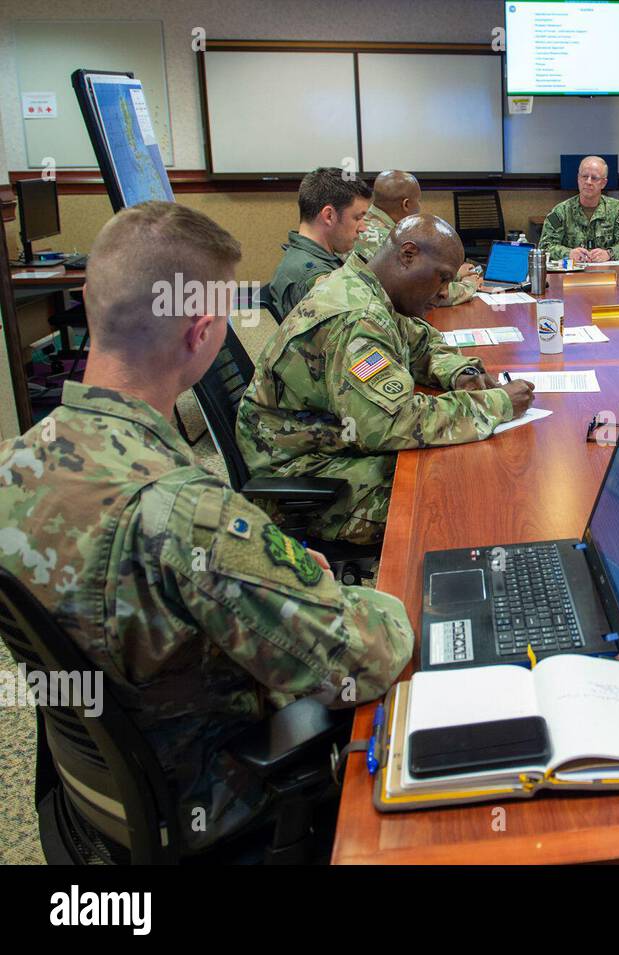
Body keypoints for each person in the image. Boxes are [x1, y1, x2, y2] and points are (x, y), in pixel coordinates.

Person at [0, 201, 414, 852]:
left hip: (96, 815)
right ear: (202, 333)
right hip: (222, 798)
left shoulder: (11, 466)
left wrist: (275, 578)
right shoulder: (192, 516)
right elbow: (369, 657)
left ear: (86, 298)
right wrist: (314, 583)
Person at [237, 214, 535, 547]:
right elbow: (392, 423)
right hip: (306, 476)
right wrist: (498, 402)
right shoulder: (359, 316)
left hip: (334, 443)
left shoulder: (368, 286)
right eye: (442, 278)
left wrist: (460, 373)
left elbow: (422, 343)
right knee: (456, 497)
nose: (444, 293)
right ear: (408, 255)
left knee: (463, 459)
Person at [350, 170, 481, 306]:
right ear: (406, 204)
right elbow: (418, 292)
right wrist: (469, 286)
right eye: (418, 201)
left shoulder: (363, 224)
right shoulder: (387, 241)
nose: (419, 207)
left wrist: (454, 274)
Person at [267, 167, 371, 318]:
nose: (363, 228)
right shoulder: (315, 277)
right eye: (357, 218)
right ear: (329, 216)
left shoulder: (304, 258)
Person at [538, 156, 619, 263]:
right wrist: (569, 253)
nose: (588, 182)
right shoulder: (561, 212)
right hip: (571, 275)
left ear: (603, 183)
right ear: (578, 179)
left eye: (594, 178)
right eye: (584, 176)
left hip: (607, 274)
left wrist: (609, 254)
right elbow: (545, 247)